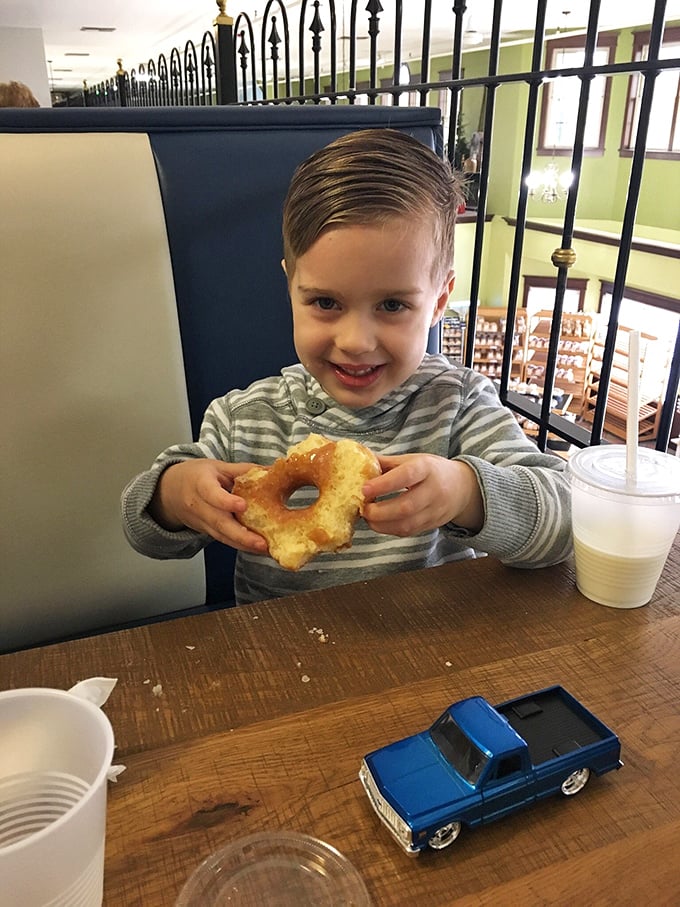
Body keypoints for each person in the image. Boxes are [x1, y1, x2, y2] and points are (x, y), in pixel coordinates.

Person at [122, 128, 572, 604]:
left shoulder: (457, 405)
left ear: (439, 300)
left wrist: (467, 494)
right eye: (325, 302)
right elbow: (141, 532)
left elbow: (566, 522)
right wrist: (174, 495)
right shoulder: (244, 419)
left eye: (394, 305)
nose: (356, 342)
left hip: (436, 651)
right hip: (279, 657)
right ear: (290, 288)